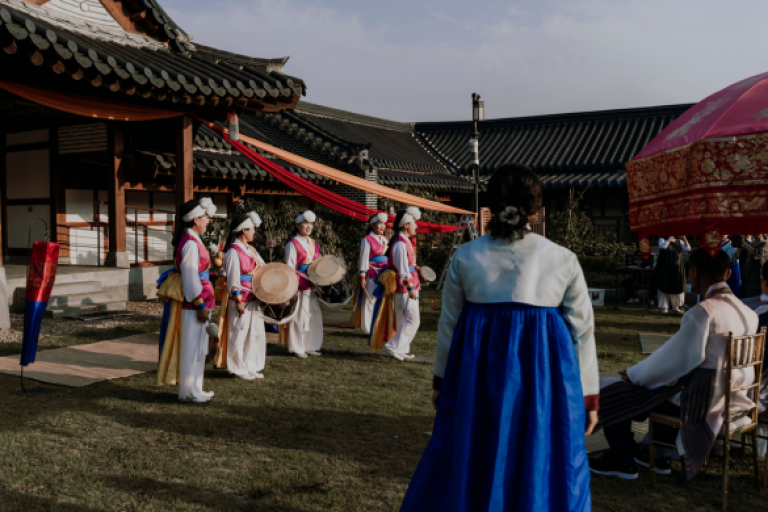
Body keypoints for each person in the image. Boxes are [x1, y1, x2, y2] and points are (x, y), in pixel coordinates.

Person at [400, 164, 599, 512]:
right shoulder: (563, 259)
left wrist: (440, 381)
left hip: (477, 376)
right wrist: (588, 396)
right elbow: (582, 332)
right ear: (535, 210)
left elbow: (448, 324)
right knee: (541, 455)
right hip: (544, 380)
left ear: (490, 205)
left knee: (474, 453)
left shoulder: (466, 256)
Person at [590, 248, 758, 482]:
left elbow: (675, 360)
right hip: (730, 396)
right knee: (662, 386)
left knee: (616, 390)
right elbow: (681, 358)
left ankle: (622, 459)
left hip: (700, 401)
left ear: (694, 272)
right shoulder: (750, 314)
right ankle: (657, 455)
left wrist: (633, 374)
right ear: (728, 273)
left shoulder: (703, 312)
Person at [157, 198, 218, 403]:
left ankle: (196, 389)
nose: (208, 221)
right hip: (193, 304)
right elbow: (190, 278)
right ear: (195, 220)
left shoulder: (192, 240)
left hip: (199, 300)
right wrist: (199, 304)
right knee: (192, 347)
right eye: (205, 217)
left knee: (199, 347)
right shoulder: (190, 244)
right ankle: (188, 391)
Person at [221, 212, 267, 380]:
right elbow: (233, 278)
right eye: (252, 229)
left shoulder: (252, 249)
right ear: (243, 230)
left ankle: (251, 365)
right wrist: (238, 301)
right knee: (239, 334)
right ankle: (238, 368)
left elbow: (263, 267)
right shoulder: (233, 252)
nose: (254, 232)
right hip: (242, 298)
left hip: (255, 296)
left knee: (255, 333)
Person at [383, 207, 422, 362]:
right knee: (413, 319)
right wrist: (410, 287)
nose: (416, 226)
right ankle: (393, 346)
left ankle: (401, 349)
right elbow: (402, 268)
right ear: (406, 224)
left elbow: (407, 265)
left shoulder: (404, 241)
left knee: (403, 318)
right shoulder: (400, 243)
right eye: (414, 223)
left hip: (407, 283)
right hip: (404, 285)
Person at [283, 210, 323, 358]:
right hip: (299, 283)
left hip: (312, 282)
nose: (308, 227)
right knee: (299, 316)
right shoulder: (292, 244)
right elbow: (289, 267)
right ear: (297, 225)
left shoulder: (313, 243)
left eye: (310, 224)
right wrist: (292, 287)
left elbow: (318, 261)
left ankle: (311, 345)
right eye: (305, 224)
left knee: (314, 315)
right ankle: (297, 346)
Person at [352, 213, 389, 334]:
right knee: (369, 299)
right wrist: (362, 276)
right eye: (379, 224)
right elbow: (363, 258)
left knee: (380, 299)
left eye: (383, 224)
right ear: (372, 225)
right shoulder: (367, 240)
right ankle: (368, 328)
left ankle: (378, 325)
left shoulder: (385, 240)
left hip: (383, 272)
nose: (382, 226)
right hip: (372, 272)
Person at [654, 235, 690, 313]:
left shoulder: (678, 241)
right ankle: (665, 307)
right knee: (665, 285)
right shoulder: (662, 239)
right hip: (665, 266)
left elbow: (687, 249)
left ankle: (676, 306)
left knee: (677, 285)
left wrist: (684, 238)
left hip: (677, 266)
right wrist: (668, 240)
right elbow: (663, 247)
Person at [738, 234, 767, 299]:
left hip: (757, 284)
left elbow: (756, 253)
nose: (754, 232)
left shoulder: (765, 244)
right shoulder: (749, 244)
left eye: (757, 230)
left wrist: (744, 243)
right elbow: (737, 255)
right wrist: (739, 243)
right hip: (745, 283)